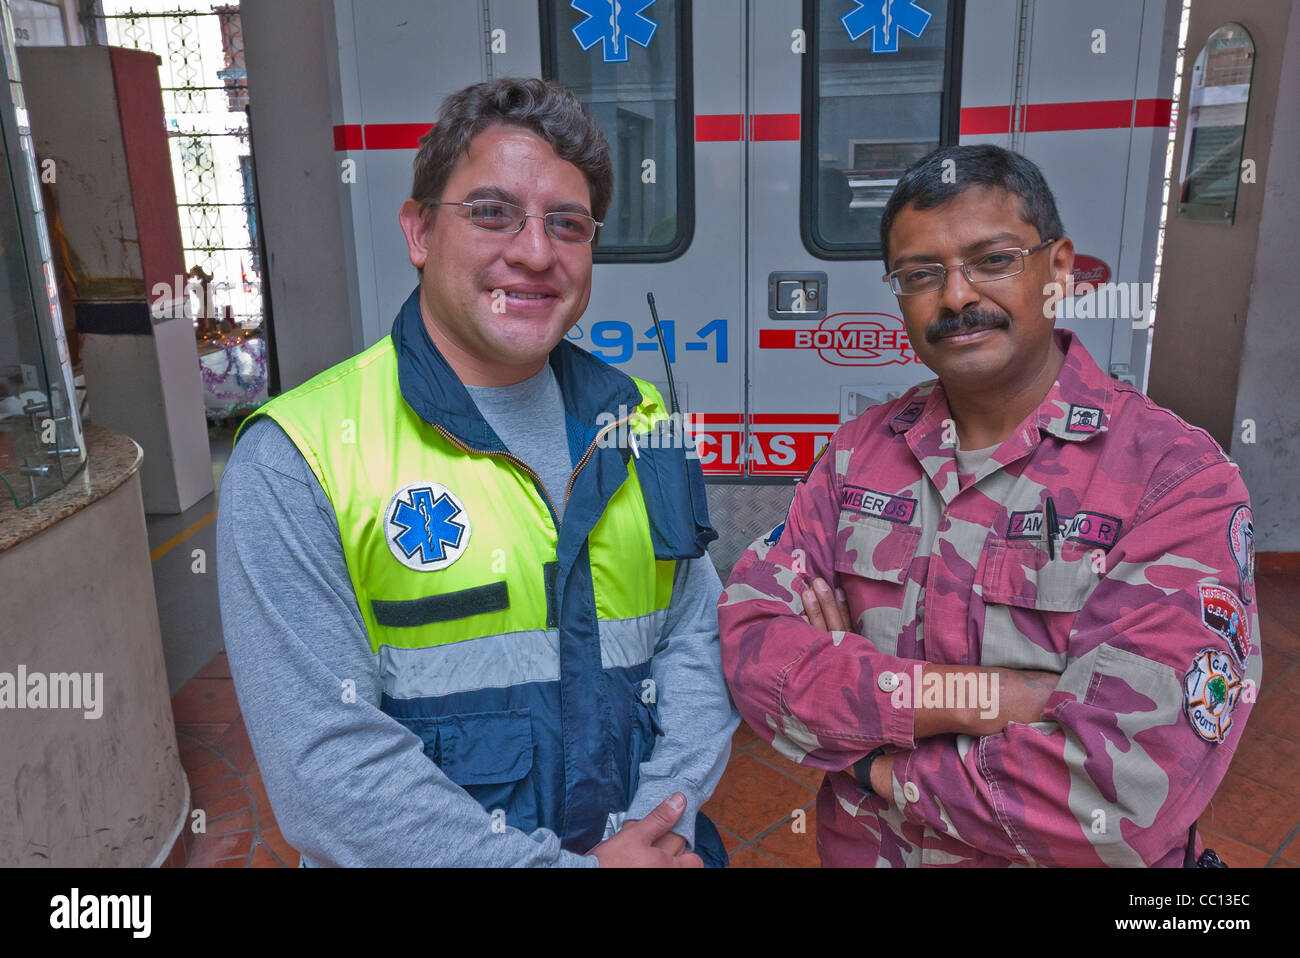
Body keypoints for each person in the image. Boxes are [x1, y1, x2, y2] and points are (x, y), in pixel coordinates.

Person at [216, 77, 737, 867]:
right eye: (492, 213)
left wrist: (658, 823)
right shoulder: (301, 456)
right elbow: (327, 769)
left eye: (568, 224)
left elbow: (695, 637)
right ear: (419, 232)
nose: (533, 252)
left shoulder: (639, 421)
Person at [718, 144, 1260, 867]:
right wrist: (990, 698)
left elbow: (1119, 799)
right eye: (920, 275)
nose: (956, 298)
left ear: (1058, 269)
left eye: (994, 260)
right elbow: (753, 653)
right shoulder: (857, 455)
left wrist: (868, 762)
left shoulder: (1175, 481)